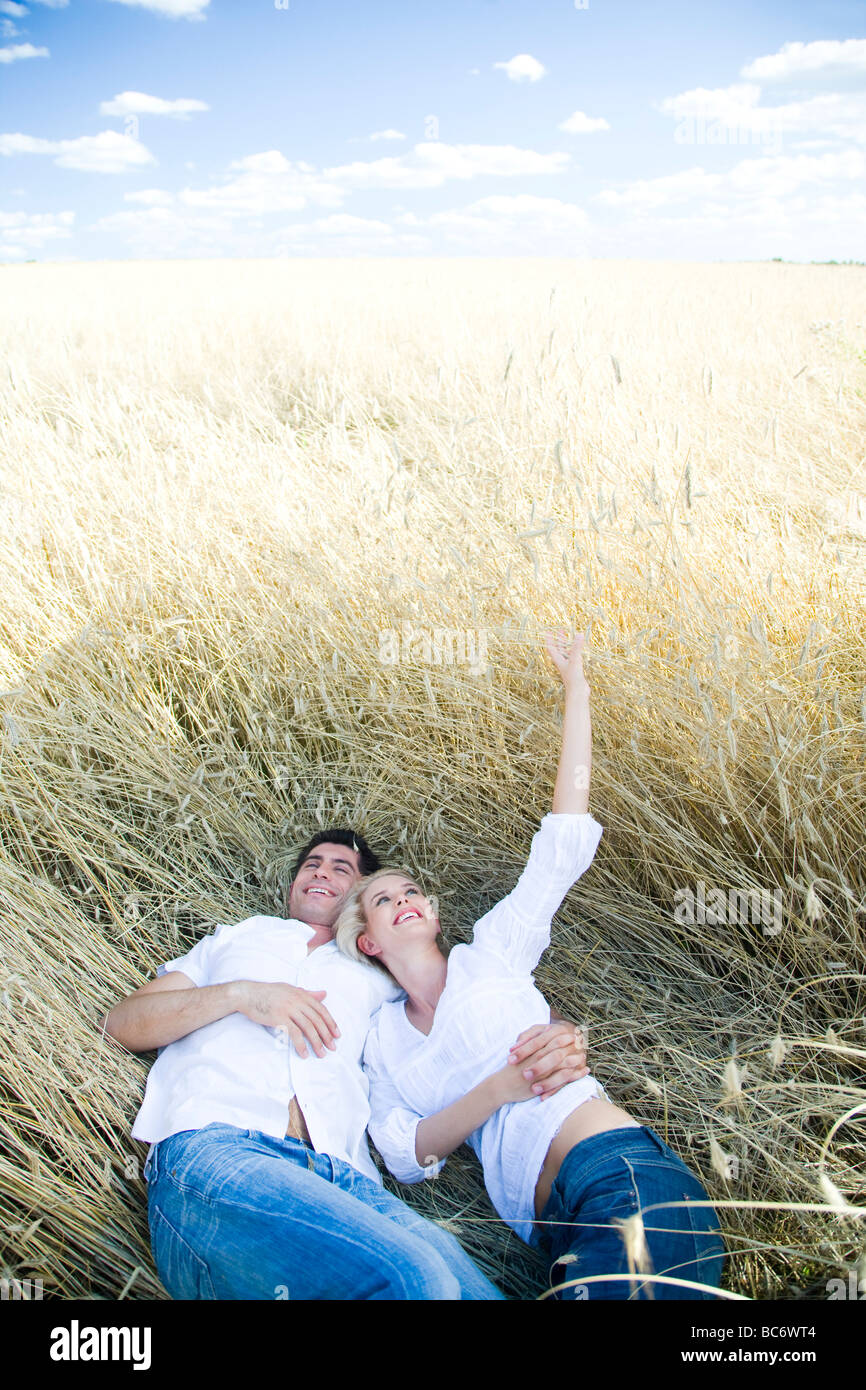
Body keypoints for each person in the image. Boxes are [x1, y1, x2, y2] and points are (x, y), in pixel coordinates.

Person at [334, 628, 726, 1300]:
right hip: (547, 1230)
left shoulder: (493, 953)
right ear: (367, 940)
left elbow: (563, 844)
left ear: (430, 912)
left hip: (615, 1172)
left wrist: (577, 690)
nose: (402, 899)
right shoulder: (382, 1041)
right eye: (381, 898)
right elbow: (405, 1154)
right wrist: (499, 1089)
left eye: (410, 891)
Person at [102, 825, 587, 1300]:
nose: (320, 872)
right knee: (413, 1279)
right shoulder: (237, 939)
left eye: (340, 869)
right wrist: (240, 995)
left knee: (467, 1290)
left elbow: (481, 999)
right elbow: (121, 1022)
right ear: (293, 886)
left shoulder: (382, 971)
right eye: (311, 865)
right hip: (220, 1148)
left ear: (359, 897)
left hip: (346, 1179)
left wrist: (556, 1031)